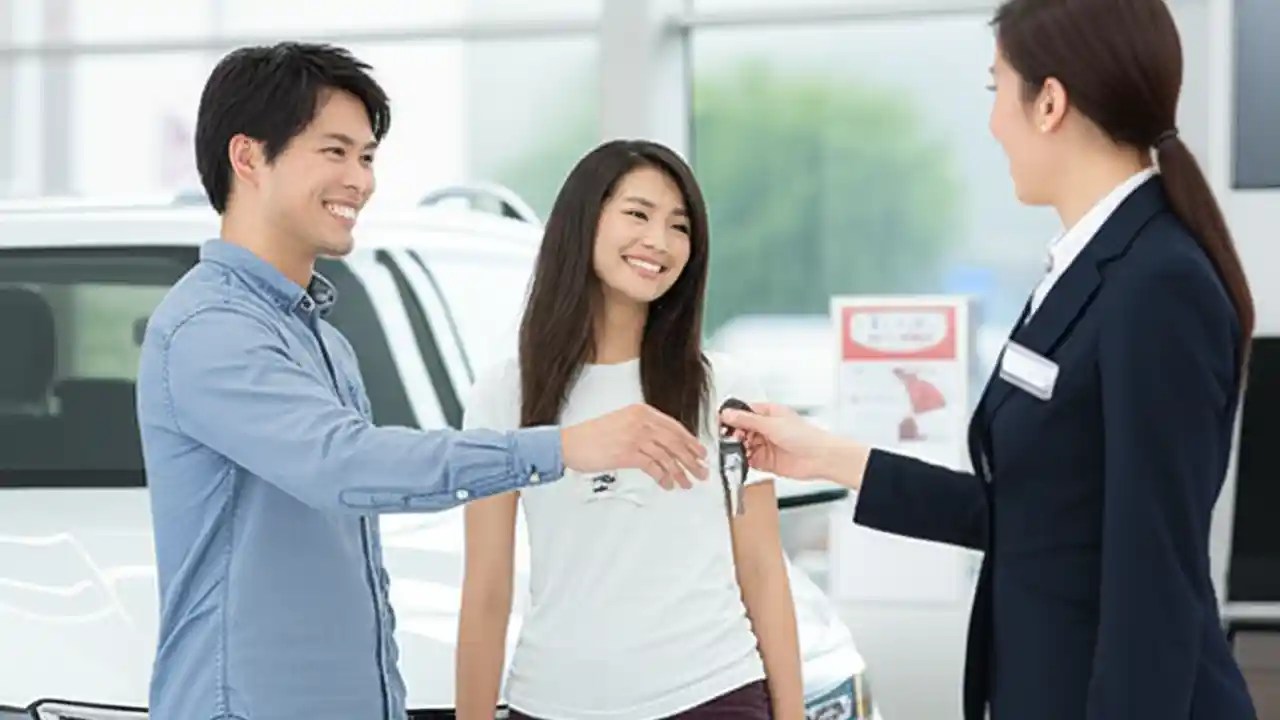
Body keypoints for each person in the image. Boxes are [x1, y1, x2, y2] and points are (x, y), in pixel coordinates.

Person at [720, 1, 1259, 718]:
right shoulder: (1087, 268)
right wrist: (823, 455)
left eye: (995, 87)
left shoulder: (1157, 283)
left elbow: (1151, 579)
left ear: (1049, 103)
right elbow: (1029, 513)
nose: (992, 120)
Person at [135, 44, 708, 720]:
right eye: (336, 151)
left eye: (368, 157)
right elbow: (346, 463)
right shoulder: (210, 329)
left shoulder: (323, 338)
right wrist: (559, 447)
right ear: (249, 156)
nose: (361, 179)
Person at [455, 140, 805, 720]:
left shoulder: (727, 388)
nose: (659, 242)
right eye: (638, 214)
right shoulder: (505, 392)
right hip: (551, 701)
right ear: (583, 221)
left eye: (679, 226)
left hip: (712, 694)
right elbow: (486, 590)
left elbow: (764, 572)